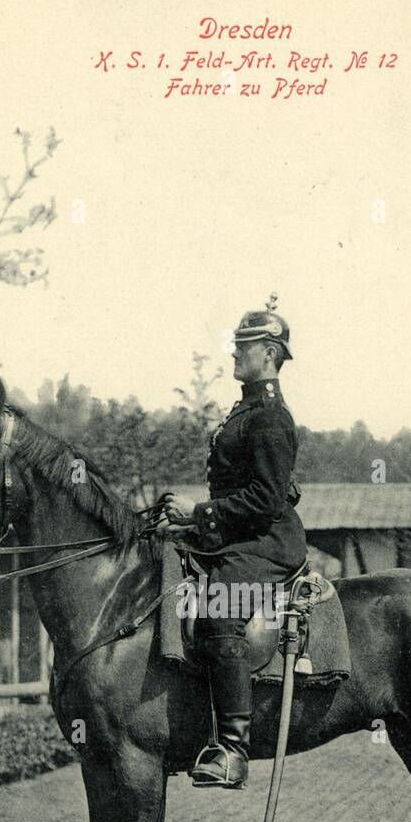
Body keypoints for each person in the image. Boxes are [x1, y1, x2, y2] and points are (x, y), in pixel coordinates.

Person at [163, 300, 307, 787]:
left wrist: (199, 513)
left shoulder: (268, 416)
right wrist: (189, 523)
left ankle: (231, 749)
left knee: (220, 605)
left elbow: (267, 501)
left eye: (242, 347)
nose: (233, 354)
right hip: (239, 534)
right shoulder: (247, 410)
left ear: (268, 354)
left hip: (266, 542)